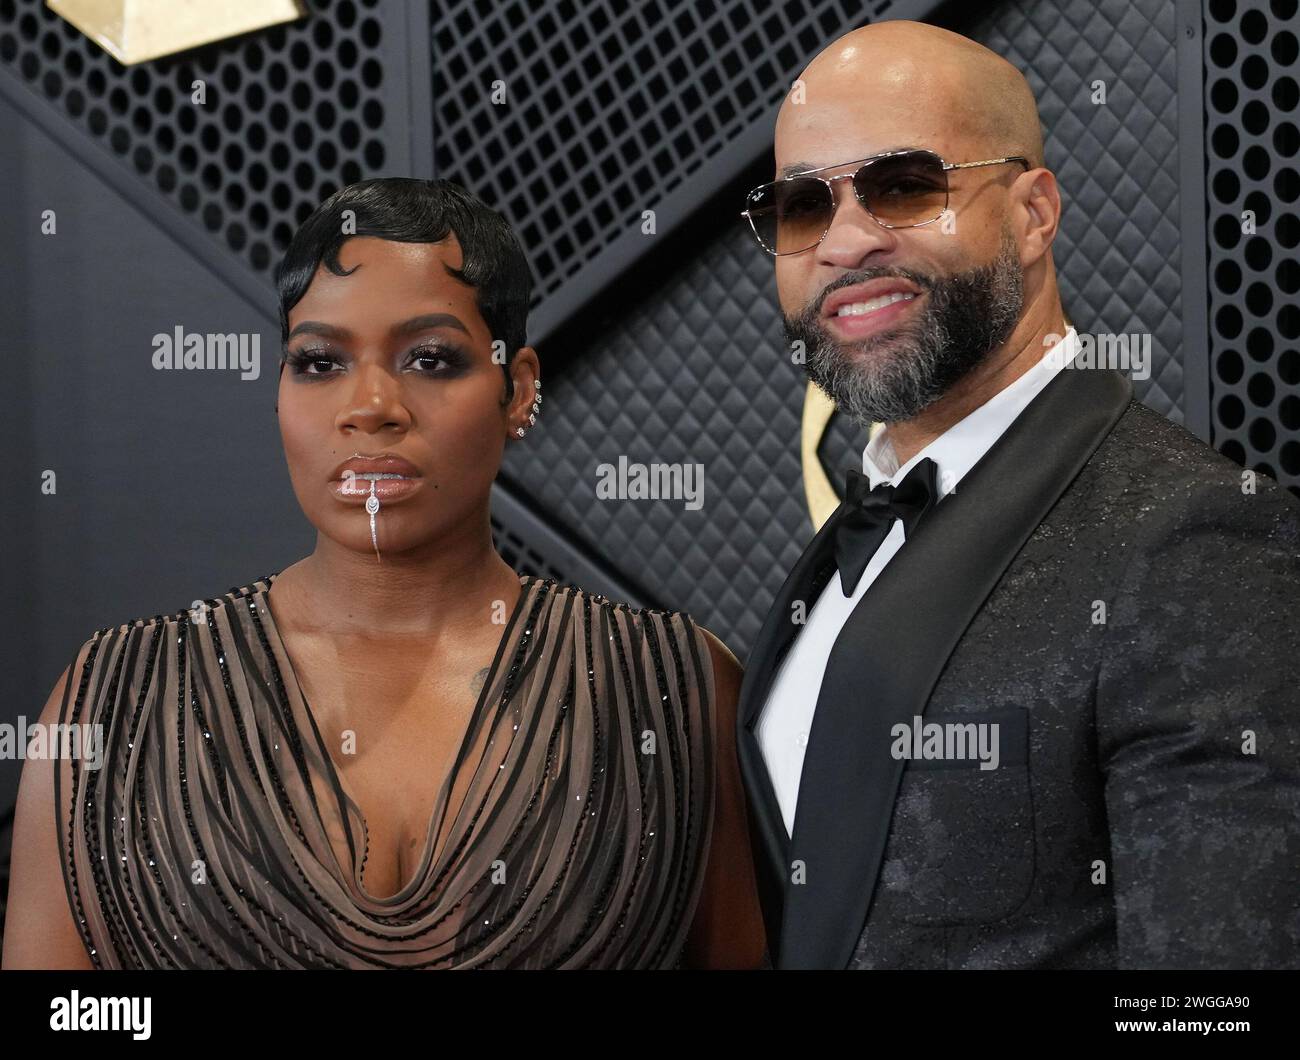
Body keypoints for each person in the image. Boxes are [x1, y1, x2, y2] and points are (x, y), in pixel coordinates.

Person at [3, 177, 766, 969]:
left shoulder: (672, 688)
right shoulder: (119, 696)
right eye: (320, 362)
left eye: (431, 359)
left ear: (519, 389)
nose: (371, 406)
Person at [736, 21, 1300, 969]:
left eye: (904, 185)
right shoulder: (856, 535)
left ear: (1034, 213)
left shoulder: (1194, 538)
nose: (845, 243)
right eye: (802, 207)